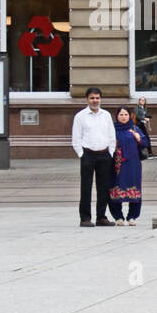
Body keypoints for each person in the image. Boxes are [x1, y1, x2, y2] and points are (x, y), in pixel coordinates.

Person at [71, 86, 116, 227]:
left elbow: (111, 135)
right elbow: (76, 137)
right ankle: (85, 218)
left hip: (104, 155)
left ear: (100, 99)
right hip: (88, 155)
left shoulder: (106, 115)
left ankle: (101, 217)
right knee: (86, 187)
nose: (95, 100)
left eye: (97, 98)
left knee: (103, 188)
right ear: (87, 99)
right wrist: (81, 154)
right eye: (92, 98)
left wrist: (111, 152)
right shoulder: (80, 116)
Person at [108, 106, 145, 226]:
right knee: (115, 187)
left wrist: (138, 138)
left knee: (134, 187)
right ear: (117, 116)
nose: (123, 117)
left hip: (133, 164)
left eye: (126, 115)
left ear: (130, 116)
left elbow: (146, 143)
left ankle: (132, 216)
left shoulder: (135, 128)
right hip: (116, 165)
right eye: (121, 115)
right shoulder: (111, 129)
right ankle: (118, 217)